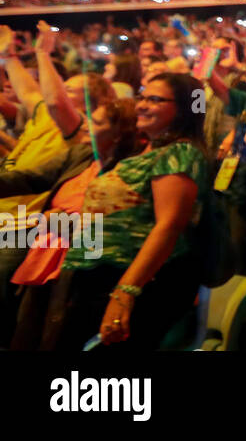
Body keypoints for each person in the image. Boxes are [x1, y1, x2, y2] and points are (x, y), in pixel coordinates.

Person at [41, 72, 207, 351]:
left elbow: (168, 226)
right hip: (95, 277)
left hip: (129, 282)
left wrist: (124, 293)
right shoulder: (148, 150)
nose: (140, 105)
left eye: (154, 100)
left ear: (183, 109)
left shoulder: (180, 154)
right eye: (142, 96)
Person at [5, 98, 138, 350]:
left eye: (96, 122)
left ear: (119, 135)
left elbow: (103, 226)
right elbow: (31, 178)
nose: (86, 125)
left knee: (55, 339)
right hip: (45, 255)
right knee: (26, 334)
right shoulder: (83, 154)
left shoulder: (127, 171)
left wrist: (52, 221)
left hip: (82, 269)